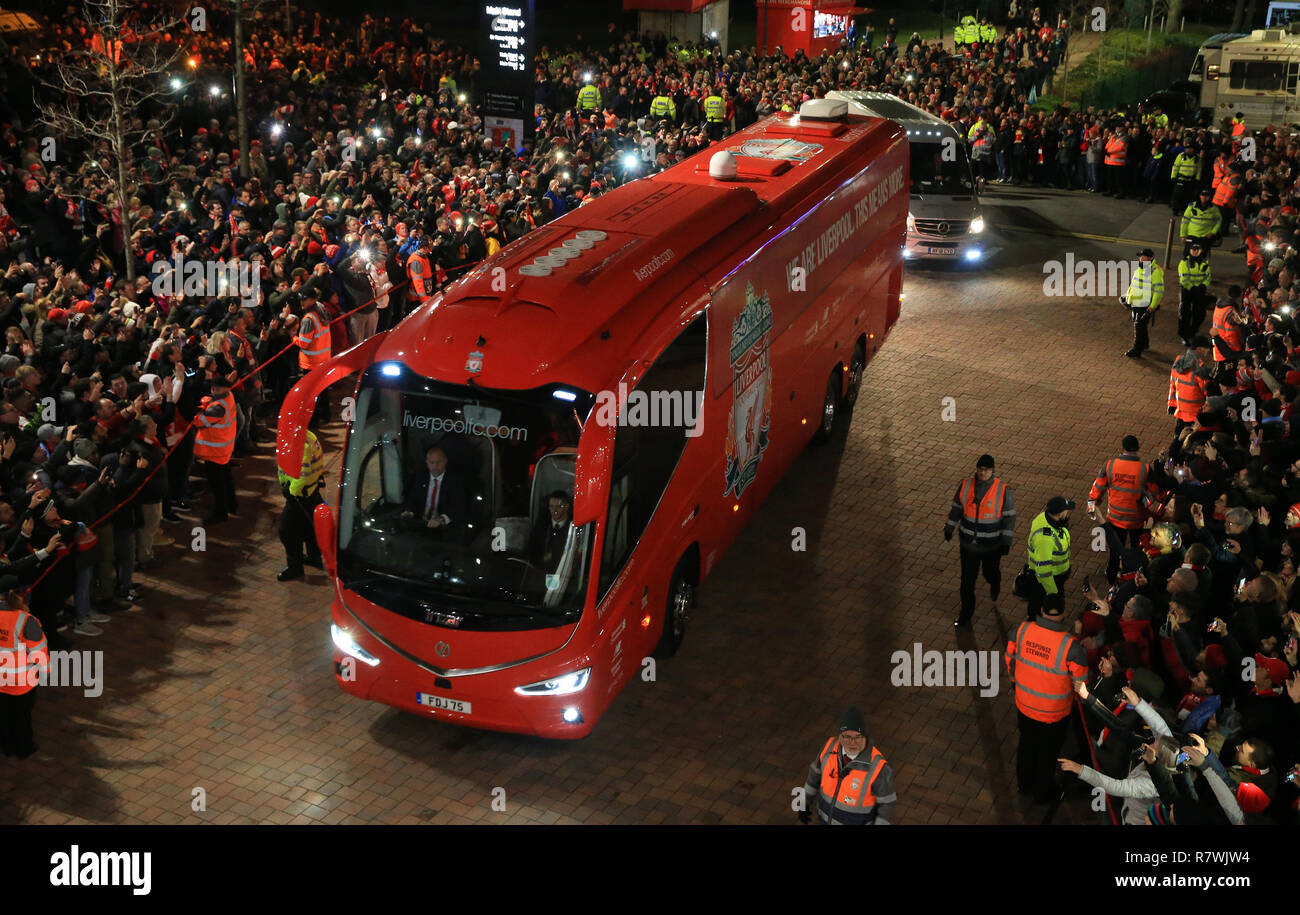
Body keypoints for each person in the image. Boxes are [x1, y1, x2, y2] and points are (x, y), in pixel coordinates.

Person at [1005, 590, 1088, 804]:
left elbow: (1010, 661)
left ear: (1041, 611)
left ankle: (1024, 784)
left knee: (1026, 745)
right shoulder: (1071, 646)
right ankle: (1043, 793)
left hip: (1024, 705)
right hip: (1054, 713)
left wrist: (1017, 684)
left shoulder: (1021, 631)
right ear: (1063, 613)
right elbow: (1081, 683)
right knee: (1047, 754)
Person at [944, 454, 1016, 627]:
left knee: (989, 572)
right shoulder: (966, 486)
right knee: (967, 582)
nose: (983, 473)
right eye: (981, 469)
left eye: (987, 470)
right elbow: (956, 508)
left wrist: (1006, 541)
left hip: (991, 546)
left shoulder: (1002, 490)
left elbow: (1009, 518)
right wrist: (949, 527)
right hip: (968, 545)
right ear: (976, 469)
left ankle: (995, 581)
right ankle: (965, 615)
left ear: (993, 471)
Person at [798, 707, 896, 825]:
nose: (852, 743)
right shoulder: (829, 748)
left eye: (857, 737)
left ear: (865, 736)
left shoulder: (878, 768)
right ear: (839, 736)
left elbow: (887, 805)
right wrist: (804, 802)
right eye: (847, 736)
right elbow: (814, 776)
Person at [1088, 435, 1149, 583]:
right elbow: (1154, 493)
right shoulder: (1145, 468)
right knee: (1137, 548)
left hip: (1116, 518)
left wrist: (1092, 504)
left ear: (1122, 449)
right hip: (1137, 519)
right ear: (1138, 448)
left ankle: (1111, 574)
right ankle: (1134, 574)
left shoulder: (1110, 465)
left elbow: (1098, 487)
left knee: (1115, 549)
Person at [0, 585, 48, 759]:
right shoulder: (27, 621)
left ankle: (6, 746)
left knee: (3, 714)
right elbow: (39, 652)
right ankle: (23, 747)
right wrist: (45, 672)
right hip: (22, 682)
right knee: (22, 716)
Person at [277, 427, 325, 582]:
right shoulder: (309, 435)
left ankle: (295, 568)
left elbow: (301, 475)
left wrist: (291, 491)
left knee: (287, 532)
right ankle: (314, 557)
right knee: (310, 528)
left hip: (300, 496)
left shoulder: (301, 445)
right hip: (312, 492)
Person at [193, 374, 238, 525]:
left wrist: (199, 411)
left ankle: (221, 512)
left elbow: (199, 422)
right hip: (224, 448)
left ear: (225, 388)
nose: (213, 390)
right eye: (212, 387)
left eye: (216, 388)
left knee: (217, 484)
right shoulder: (229, 396)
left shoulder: (218, 407)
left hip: (214, 451)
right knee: (226, 479)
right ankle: (232, 505)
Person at [401, 445, 470, 535]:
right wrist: (410, 512)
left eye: (438, 462)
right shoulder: (419, 477)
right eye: (432, 462)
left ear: (445, 461)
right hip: (420, 525)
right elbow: (412, 499)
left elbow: (458, 507)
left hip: (444, 529)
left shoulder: (456, 481)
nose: (435, 466)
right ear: (427, 463)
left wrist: (441, 519)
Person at [1025, 496, 1073, 620]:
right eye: (1067, 511)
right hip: (1049, 580)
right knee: (1040, 607)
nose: (1069, 514)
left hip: (1053, 576)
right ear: (1060, 513)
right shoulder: (1045, 539)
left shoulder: (1044, 517)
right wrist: (1053, 593)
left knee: (1036, 602)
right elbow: (1044, 571)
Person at [1123, 248, 1164, 358]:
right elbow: (1133, 285)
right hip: (1136, 302)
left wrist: (1153, 306)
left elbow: (1158, 291)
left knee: (1138, 325)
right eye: (1140, 256)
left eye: (1143, 256)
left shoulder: (1156, 271)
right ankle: (1144, 344)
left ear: (1151, 258)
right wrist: (1127, 298)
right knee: (1141, 325)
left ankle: (1137, 349)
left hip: (1146, 304)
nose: (1140, 258)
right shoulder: (1139, 269)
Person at [1168, 336, 1212, 435]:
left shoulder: (1178, 361)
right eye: (1206, 348)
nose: (1208, 352)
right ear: (1199, 349)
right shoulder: (1201, 368)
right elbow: (1207, 391)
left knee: (1178, 438)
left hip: (1181, 412)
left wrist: (1171, 404)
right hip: (1195, 415)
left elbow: (1173, 385)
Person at [1175, 241, 1212, 346]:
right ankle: (1184, 335)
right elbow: (1184, 278)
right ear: (1189, 250)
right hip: (1187, 291)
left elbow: (1207, 277)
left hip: (1199, 291)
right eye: (1193, 249)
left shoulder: (1204, 263)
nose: (1195, 252)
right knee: (1184, 314)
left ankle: (1192, 333)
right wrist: (1193, 287)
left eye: (1197, 249)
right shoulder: (1184, 263)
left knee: (1200, 313)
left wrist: (1203, 285)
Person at [529, 490, 572, 575]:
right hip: (539, 574)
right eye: (551, 506)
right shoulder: (541, 526)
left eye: (558, 507)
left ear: (566, 507)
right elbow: (530, 551)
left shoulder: (572, 528)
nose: (554, 510)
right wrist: (541, 559)